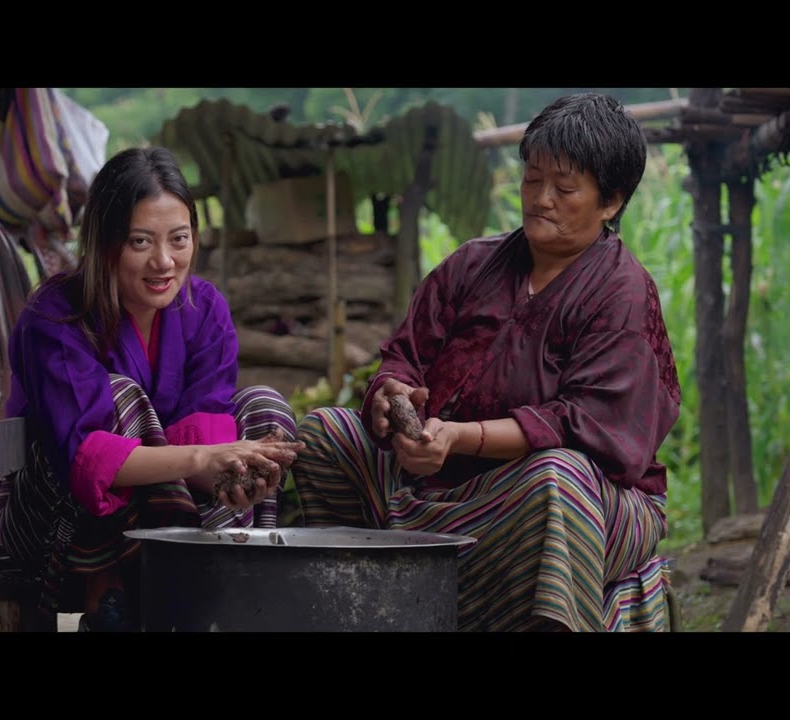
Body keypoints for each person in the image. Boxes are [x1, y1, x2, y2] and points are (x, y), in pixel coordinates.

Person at [290, 92, 682, 632]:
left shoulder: (622, 292)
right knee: (325, 433)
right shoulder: (473, 263)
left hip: (583, 504)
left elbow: (587, 424)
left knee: (558, 476)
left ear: (610, 201)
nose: (541, 198)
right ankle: (355, 609)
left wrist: (460, 436)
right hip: (442, 490)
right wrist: (392, 397)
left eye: (564, 187)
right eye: (531, 178)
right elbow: (404, 355)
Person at [0, 145, 304, 632]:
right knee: (123, 397)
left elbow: (204, 438)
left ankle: (229, 589)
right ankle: (109, 599)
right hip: (50, 525)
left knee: (265, 408)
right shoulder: (55, 314)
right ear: (104, 241)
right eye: (139, 242)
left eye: (179, 239)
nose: (164, 262)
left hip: (170, 515)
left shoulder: (204, 308)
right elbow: (86, 458)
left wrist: (232, 480)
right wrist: (201, 462)